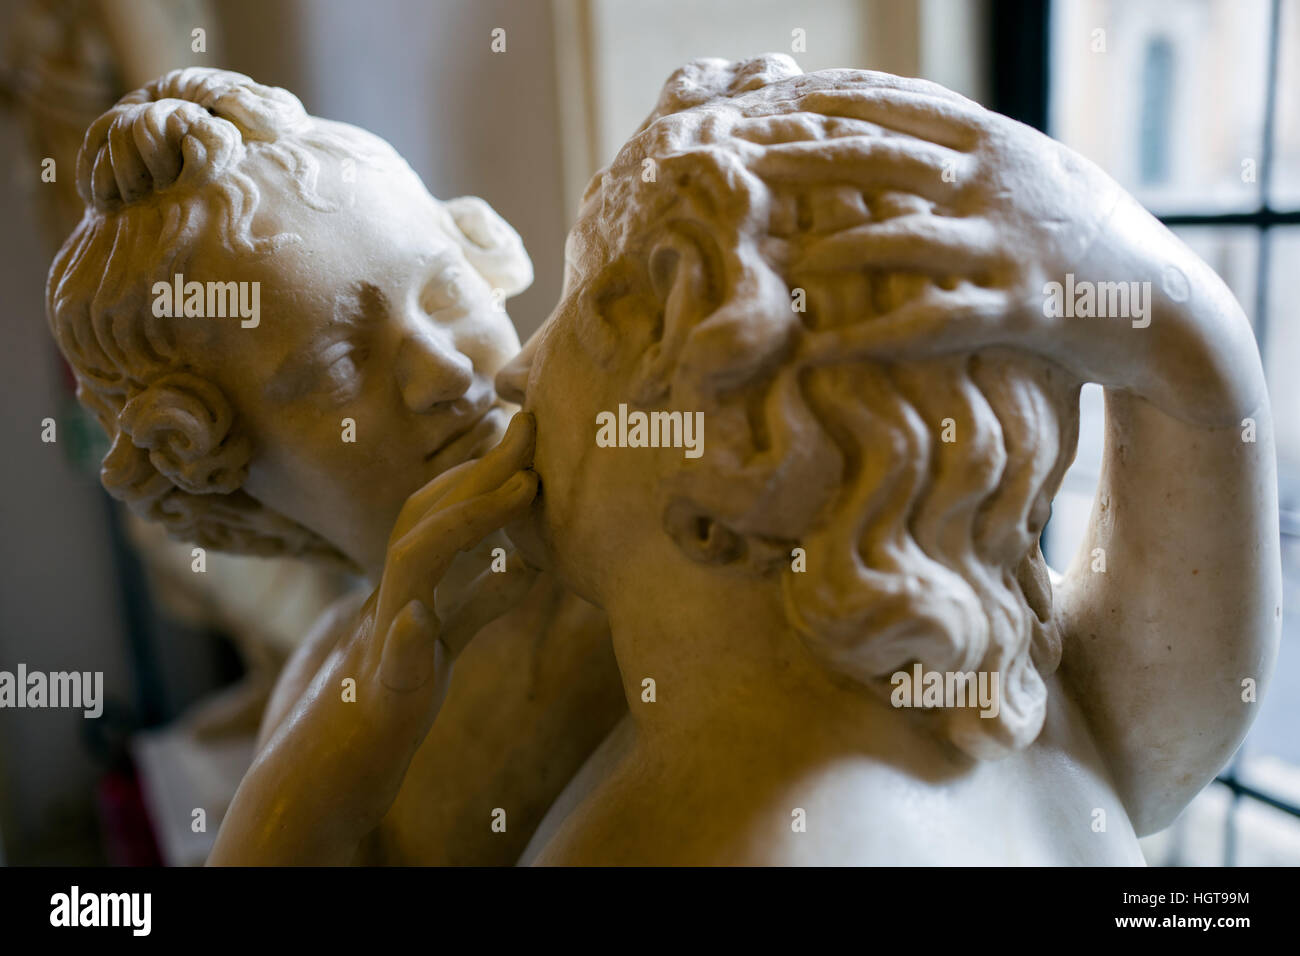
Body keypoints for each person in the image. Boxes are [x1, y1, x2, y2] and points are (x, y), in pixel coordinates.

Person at [490, 55, 1281, 864]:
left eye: (581, 310)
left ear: (724, 458)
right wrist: (1153, 294)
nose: (513, 370)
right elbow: (1182, 706)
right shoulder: (1013, 719)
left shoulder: (756, 842)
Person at [46, 68, 624, 865]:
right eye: (336, 366)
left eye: (447, 290)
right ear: (215, 465)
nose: (447, 373)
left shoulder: (648, 566)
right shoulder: (329, 697)